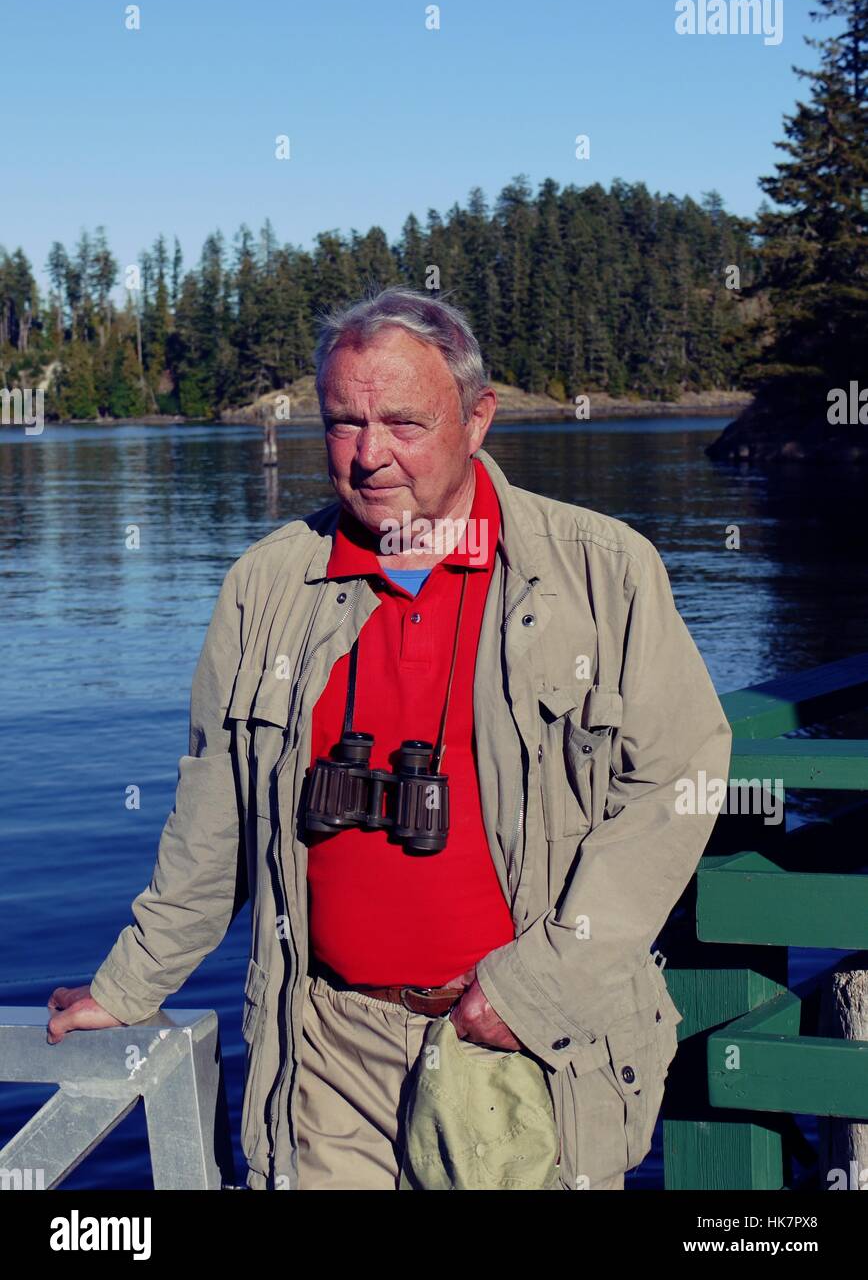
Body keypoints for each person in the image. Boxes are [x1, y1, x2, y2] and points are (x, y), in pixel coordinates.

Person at [47, 285, 731, 1191]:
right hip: (326, 1051)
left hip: (525, 1049)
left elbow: (677, 782)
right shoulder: (267, 586)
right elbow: (214, 821)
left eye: (404, 423)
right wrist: (130, 984)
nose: (370, 457)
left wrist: (540, 988)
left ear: (479, 417)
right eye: (342, 424)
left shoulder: (601, 572)